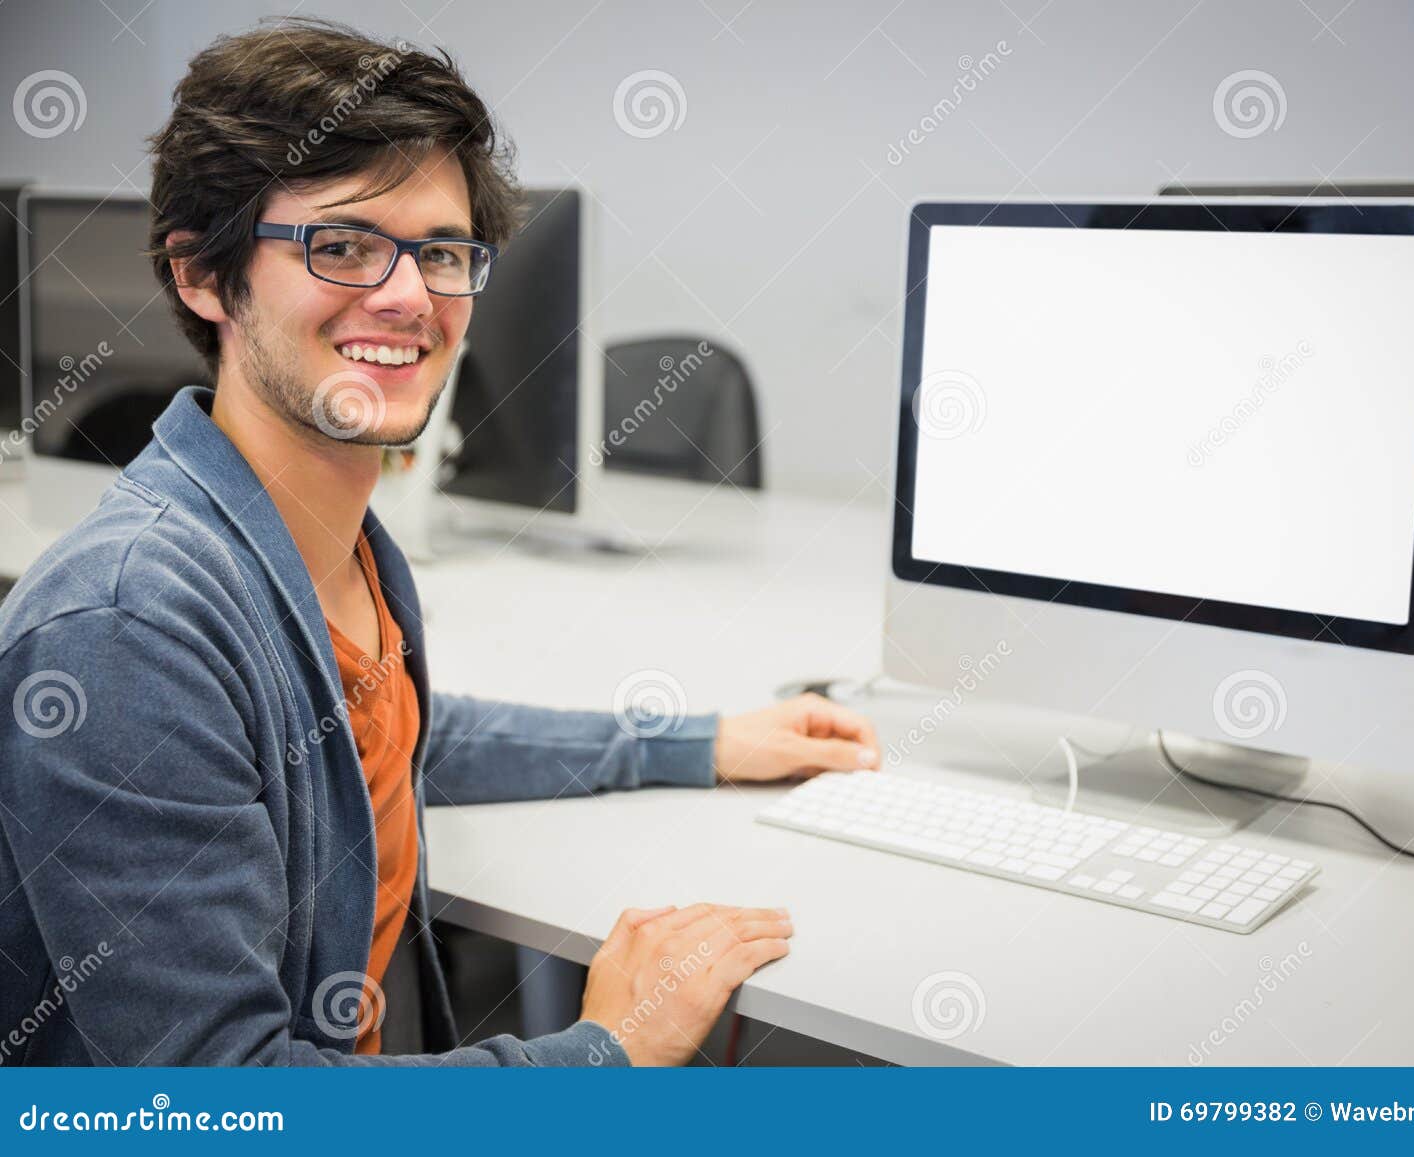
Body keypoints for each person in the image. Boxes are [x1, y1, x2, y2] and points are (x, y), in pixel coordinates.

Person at [0, 17, 880, 1067]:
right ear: (200, 273)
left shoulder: (334, 542)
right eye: (343, 245)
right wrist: (609, 1051)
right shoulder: (128, 628)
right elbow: (224, 1104)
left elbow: (395, 733)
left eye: (444, 251)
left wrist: (697, 741)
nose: (411, 296)